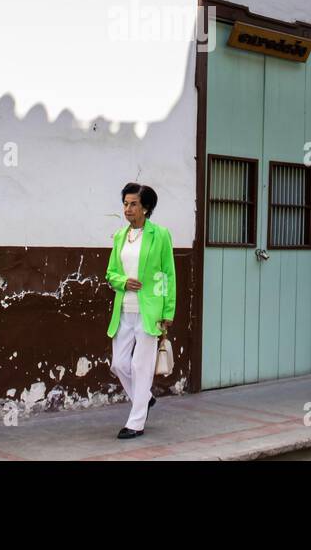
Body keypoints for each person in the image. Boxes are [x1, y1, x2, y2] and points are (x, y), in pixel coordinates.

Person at [105, 183, 177, 439]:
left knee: (140, 366)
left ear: (145, 208)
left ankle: (136, 423)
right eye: (125, 203)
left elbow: (168, 273)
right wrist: (123, 282)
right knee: (119, 363)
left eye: (133, 204)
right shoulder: (119, 236)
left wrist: (168, 311)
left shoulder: (161, 235)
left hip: (150, 311)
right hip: (124, 309)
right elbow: (111, 273)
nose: (127, 209)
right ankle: (144, 397)